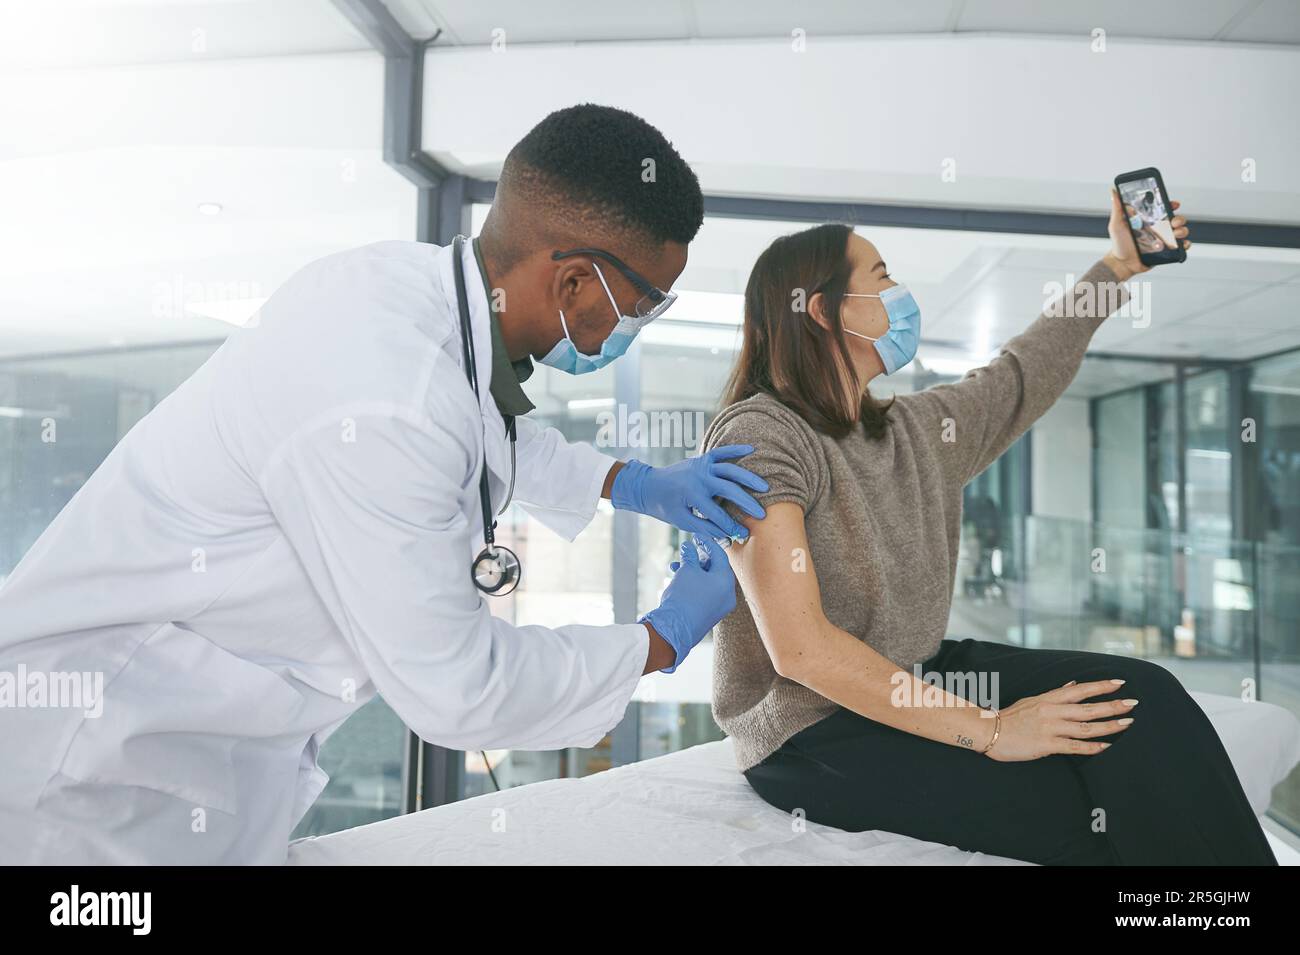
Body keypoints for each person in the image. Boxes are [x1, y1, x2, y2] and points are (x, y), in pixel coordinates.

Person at [0, 104, 766, 864]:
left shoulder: (409, 296)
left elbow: (483, 435)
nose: (636, 327)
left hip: (189, 746)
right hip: (82, 784)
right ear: (572, 281)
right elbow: (458, 689)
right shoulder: (384, 397)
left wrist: (633, 483)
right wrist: (661, 639)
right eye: (641, 306)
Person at [702, 190, 1277, 864]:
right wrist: (993, 728)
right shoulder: (761, 434)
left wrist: (1119, 267)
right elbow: (801, 650)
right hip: (812, 731)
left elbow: (1021, 373)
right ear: (822, 309)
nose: (901, 294)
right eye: (883, 276)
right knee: (1093, 813)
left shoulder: (912, 431)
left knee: (1138, 696)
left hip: (914, 669)